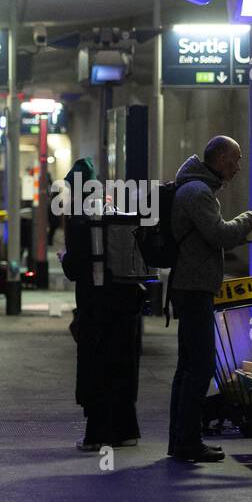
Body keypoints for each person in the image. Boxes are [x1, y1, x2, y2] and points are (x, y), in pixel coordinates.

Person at [167, 136, 252, 463]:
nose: (238, 166)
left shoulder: (197, 189)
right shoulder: (197, 192)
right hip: (193, 289)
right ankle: (188, 442)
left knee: (188, 367)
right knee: (201, 366)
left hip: (192, 286)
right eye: (235, 159)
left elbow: (211, 238)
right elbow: (218, 233)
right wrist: (249, 217)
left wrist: (241, 233)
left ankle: (180, 440)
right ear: (221, 158)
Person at [61, 158, 149, 451]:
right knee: (122, 364)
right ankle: (126, 431)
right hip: (125, 299)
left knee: (95, 367)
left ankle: (96, 435)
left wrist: (64, 258)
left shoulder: (77, 217)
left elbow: (75, 268)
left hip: (94, 304)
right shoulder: (113, 207)